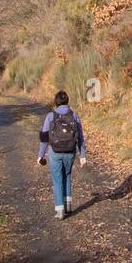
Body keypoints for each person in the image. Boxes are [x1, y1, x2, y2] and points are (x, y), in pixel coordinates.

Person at [37, 90, 87, 219]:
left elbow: (44, 138)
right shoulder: (74, 116)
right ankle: (68, 206)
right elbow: (80, 137)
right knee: (67, 176)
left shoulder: (50, 116)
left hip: (55, 152)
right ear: (67, 101)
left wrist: (40, 155)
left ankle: (60, 211)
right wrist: (82, 155)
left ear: (56, 102)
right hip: (70, 152)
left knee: (57, 179)